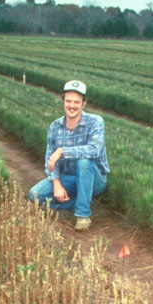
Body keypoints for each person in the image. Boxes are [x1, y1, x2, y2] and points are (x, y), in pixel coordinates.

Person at [28, 80, 109, 231]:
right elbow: (50, 160)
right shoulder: (55, 127)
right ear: (63, 101)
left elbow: (94, 150)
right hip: (71, 178)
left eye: (76, 102)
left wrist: (62, 151)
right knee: (35, 195)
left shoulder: (95, 121)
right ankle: (77, 204)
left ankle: (83, 216)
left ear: (84, 103)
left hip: (94, 179)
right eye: (68, 101)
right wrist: (56, 183)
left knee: (83, 161)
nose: (72, 106)